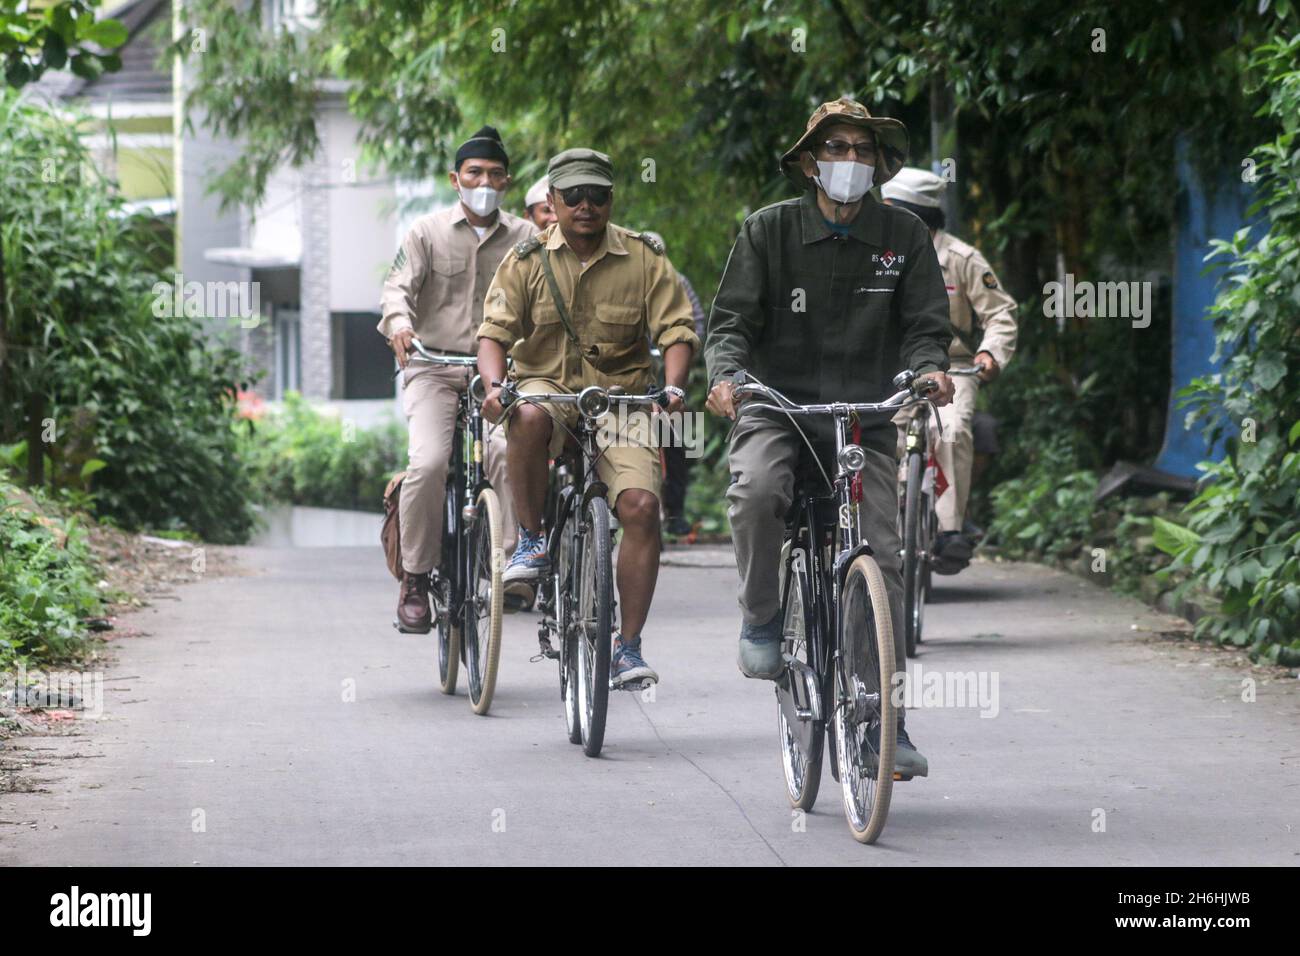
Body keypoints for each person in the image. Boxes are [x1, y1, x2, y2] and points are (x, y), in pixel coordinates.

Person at [705, 98, 953, 777]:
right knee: (756, 490)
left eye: (863, 150)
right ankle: (761, 615)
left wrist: (930, 371)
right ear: (811, 163)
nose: (851, 161)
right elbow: (730, 323)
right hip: (777, 407)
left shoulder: (903, 236)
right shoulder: (768, 232)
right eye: (837, 148)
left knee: (885, 556)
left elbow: (926, 326)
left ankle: (886, 725)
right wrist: (727, 376)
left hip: (864, 418)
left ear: (878, 163)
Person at [477, 148, 699, 687]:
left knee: (643, 507)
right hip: (546, 389)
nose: (585, 206)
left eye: (596, 195)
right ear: (551, 201)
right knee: (526, 416)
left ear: (610, 200)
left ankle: (628, 647)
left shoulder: (644, 258)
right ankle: (531, 539)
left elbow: (677, 331)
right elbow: (494, 333)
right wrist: (494, 387)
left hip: (619, 398)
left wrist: (672, 387)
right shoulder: (527, 261)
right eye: (572, 195)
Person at [379, 125, 536, 632]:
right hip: (432, 367)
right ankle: (416, 578)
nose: (484, 182)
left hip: (499, 374)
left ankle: (512, 566)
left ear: (507, 182)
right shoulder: (424, 233)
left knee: (506, 454)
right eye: (474, 173)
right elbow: (396, 288)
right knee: (427, 463)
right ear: (456, 179)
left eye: (494, 174)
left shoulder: (527, 239)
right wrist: (400, 325)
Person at [881, 167, 1018, 572]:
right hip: (890, 370)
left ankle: (949, 531)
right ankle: (870, 527)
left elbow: (1001, 313)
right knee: (869, 434)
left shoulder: (961, 259)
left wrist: (990, 354)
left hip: (953, 368)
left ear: (911, 214)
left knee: (951, 430)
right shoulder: (877, 256)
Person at [641, 230, 706, 538]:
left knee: (683, 434)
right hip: (633, 378)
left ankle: (677, 510)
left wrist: (683, 349)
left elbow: (696, 322)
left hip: (670, 376)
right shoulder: (625, 279)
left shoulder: (678, 283)